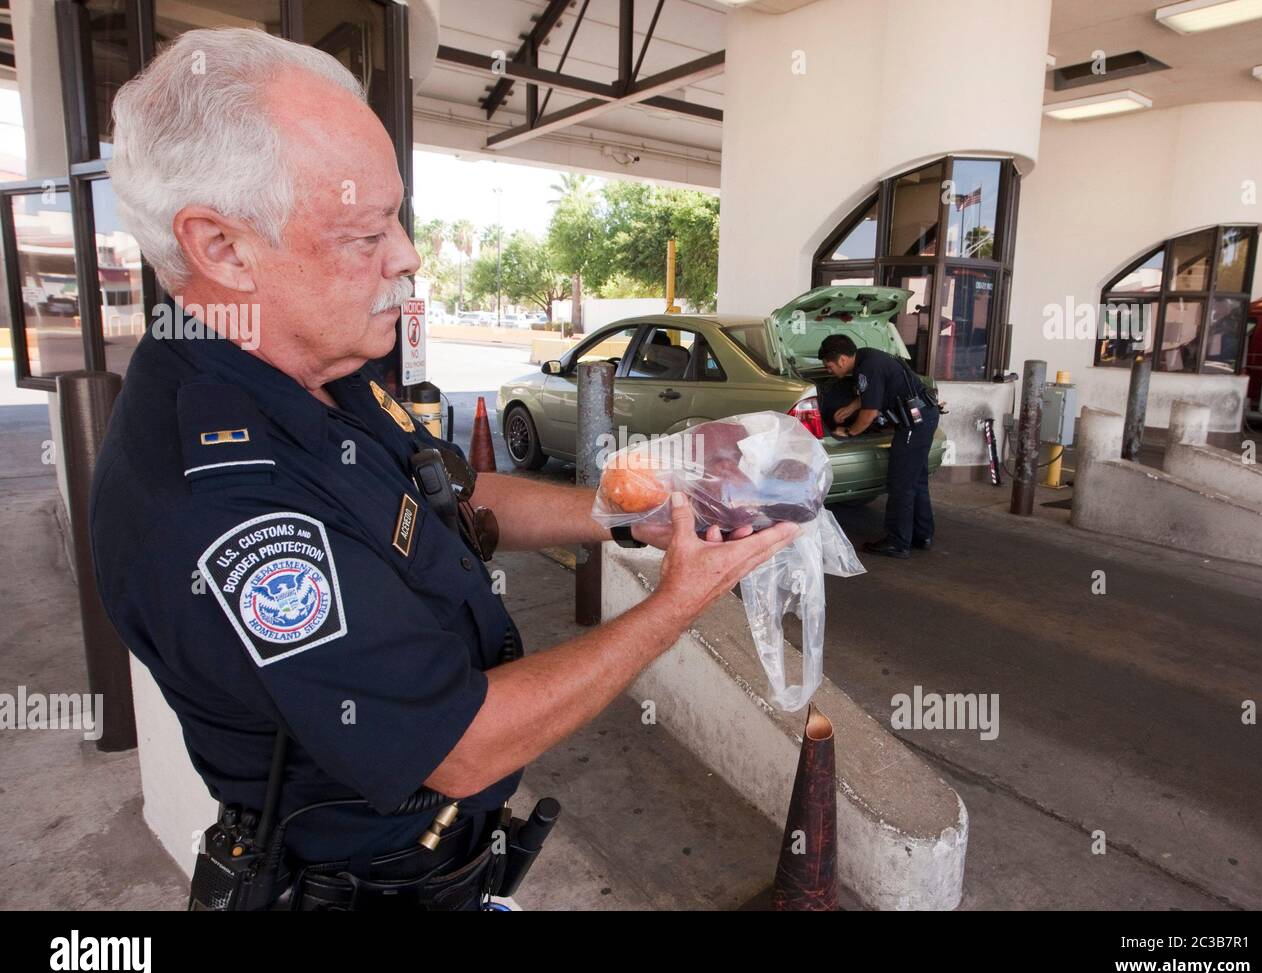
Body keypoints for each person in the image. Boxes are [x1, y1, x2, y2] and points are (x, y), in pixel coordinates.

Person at [90, 28, 796, 909]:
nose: (408, 255)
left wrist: (623, 512)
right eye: (364, 230)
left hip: (452, 859)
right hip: (368, 889)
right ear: (224, 249)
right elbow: (459, 745)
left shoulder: (320, 365)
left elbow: (444, 490)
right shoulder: (221, 502)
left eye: (398, 216)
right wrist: (677, 603)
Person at [817, 334, 940, 558]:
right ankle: (922, 535)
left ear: (843, 360)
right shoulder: (869, 357)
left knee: (901, 482)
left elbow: (871, 412)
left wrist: (849, 432)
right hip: (924, 415)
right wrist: (851, 408)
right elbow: (873, 392)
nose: (828, 371)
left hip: (914, 423)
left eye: (829, 365)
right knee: (917, 479)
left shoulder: (867, 368)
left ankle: (898, 542)